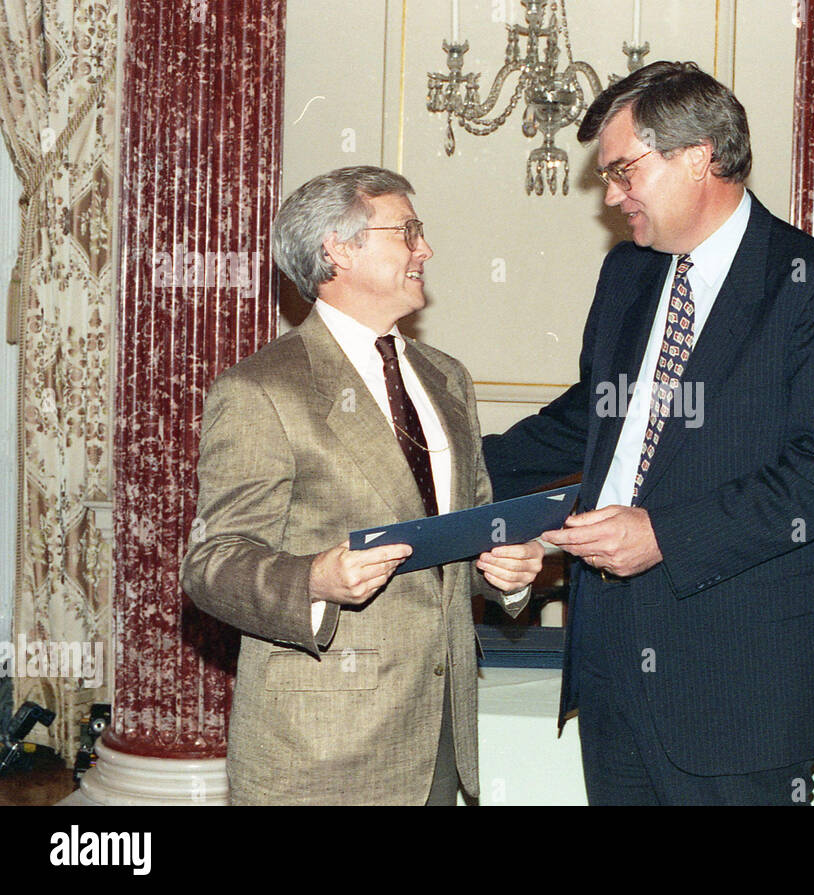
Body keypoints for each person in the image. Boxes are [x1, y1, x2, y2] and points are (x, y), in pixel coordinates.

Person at [482, 62, 814, 805]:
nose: (612, 196)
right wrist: (446, 466)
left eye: (623, 171)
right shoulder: (628, 274)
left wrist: (665, 534)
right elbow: (589, 420)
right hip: (609, 663)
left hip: (739, 683)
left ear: (698, 156)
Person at [182, 166, 543, 805]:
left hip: (440, 740)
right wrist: (313, 580)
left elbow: (466, 538)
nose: (425, 249)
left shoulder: (446, 378)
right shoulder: (262, 390)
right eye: (408, 231)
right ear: (338, 250)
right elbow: (211, 564)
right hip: (319, 752)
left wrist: (507, 572)